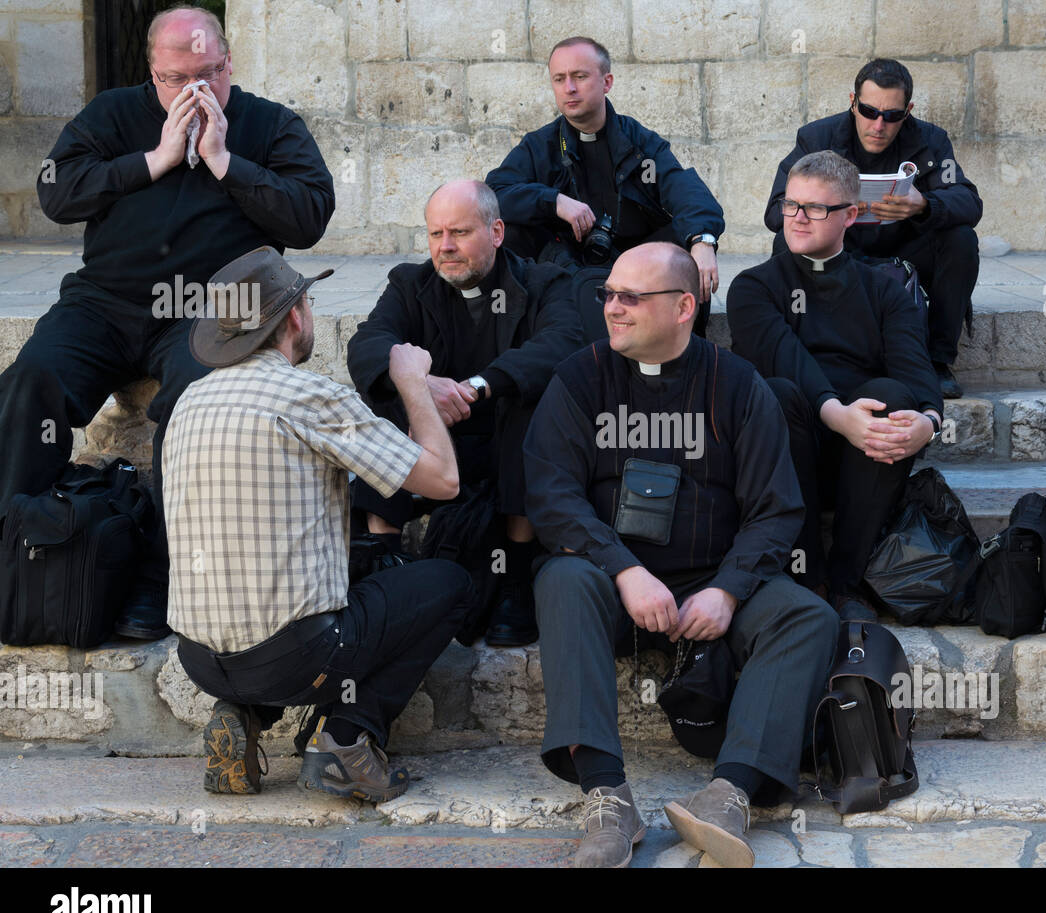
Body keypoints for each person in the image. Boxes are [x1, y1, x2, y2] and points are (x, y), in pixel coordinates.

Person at [0, 5, 334, 640]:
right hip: (105, 299)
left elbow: (311, 213)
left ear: (230, 63)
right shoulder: (112, 114)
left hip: (213, 306)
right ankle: (19, 549)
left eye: (210, 73)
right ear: (152, 71)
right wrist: (152, 160)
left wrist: (225, 161)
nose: (197, 90)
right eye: (177, 79)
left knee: (195, 402)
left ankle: (158, 580)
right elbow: (54, 190)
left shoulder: (267, 123)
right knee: (29, 383)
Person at [522, 242, 838, 868]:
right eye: (607, 295)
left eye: (630, 298)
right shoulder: (579, 378)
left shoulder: (740, 385)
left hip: (709, 581)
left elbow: (776, 509)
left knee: (808, 616)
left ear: (684, 306)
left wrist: (728, 588)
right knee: (561, 579)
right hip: (610, 579)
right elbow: (551, 496)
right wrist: (624, 570)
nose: (612, 308)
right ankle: (608, 800)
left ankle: (729, 796)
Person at [165, 247, 472, 802]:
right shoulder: (308, 395)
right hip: (294, 657)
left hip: (198, 658)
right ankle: (346, 739)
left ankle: (242, 712)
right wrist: (413, 385)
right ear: (295, 319)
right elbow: (443, 480)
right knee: (447, 584)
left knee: (304, 586)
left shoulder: (189, 399)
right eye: (309, 300)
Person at [346, 180, 584, 646]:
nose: (446, 247)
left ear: (496, 231)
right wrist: (419, 386)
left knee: (534, 400)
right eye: (436, 234)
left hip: (507, 451)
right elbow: (367, 344)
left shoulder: (541, 283)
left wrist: (478, 387)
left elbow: (563, 342)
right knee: (388, 385)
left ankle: (516, 576)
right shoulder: (409, 285)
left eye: (459, 232)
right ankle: (385, 554)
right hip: (435, 449)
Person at [732, 151, 944, 621]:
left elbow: (915, 369)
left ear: (851, 215)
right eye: (791, 204)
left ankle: (848, 582)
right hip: (786, 452)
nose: (798, 218)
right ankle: (808, 575)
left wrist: (927, 424)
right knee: (778, 392)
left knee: (892, 397)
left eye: (816, 208)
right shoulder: (754, 287)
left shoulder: (885, 289)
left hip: (866, 457)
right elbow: (787, 360)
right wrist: (837, 415)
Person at [764, 58, 981, 399]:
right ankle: (807, 352)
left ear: (907, 111)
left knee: (961, 239)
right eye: (869, 111)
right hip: (840, 249)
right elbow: (777, 210)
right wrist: (826, 206)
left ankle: (938, 361)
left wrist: (923, 205)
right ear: (853, 102)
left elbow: (967, 200)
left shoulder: (930, 141)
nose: (879, 125)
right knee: (787, 241)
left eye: (892, 115)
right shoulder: (818, 138)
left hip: (905, 246)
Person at [485, 36, 725, 336]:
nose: (569, 88)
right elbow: (494, 192)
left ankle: (683, 356)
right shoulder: (540, 146)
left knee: (687, 241)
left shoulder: (639, 141)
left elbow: (685, 189)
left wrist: (702, 241)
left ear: (607, 82)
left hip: (638, 263)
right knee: (508, 231)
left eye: (580, 76)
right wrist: (554, 201)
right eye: (559, 79)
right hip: (564, 263)